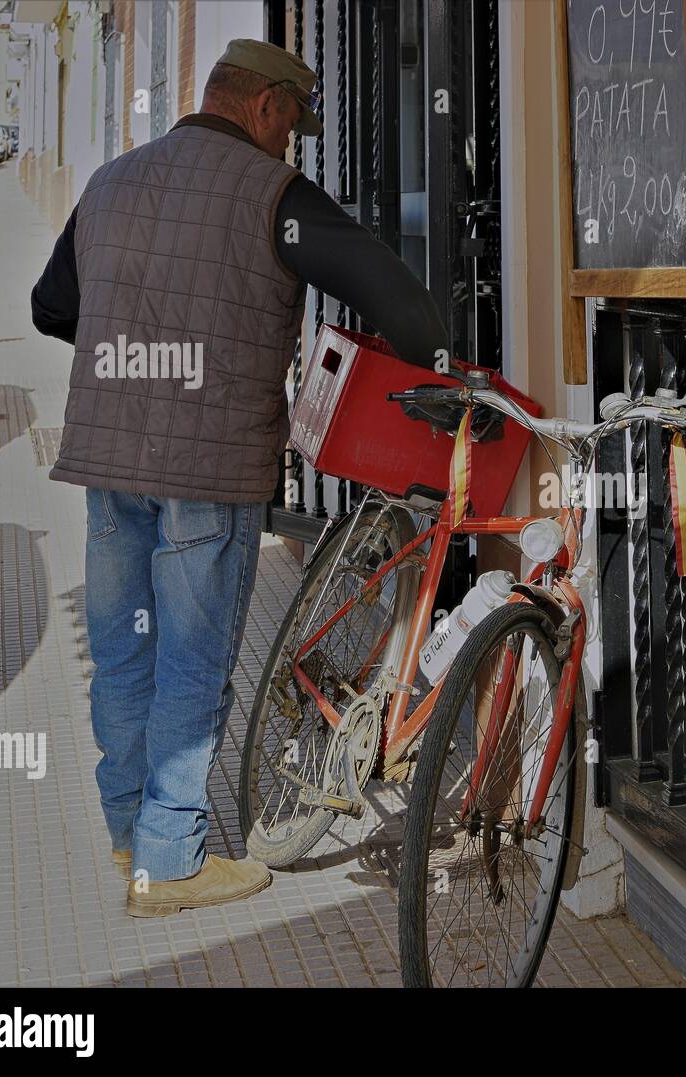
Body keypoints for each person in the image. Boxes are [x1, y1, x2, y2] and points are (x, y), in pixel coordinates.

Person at [30, 39, 449, 917]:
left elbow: (50, 306)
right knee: (192, 656)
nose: (293, 143)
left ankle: (128, 835)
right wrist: (439, 374)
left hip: (109, 460)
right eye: (293, 121)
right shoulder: (275, 196)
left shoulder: (110, 181)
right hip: (208, 466)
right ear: (264, 106)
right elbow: (404, 308)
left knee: (122, 650)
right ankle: (171, 861)